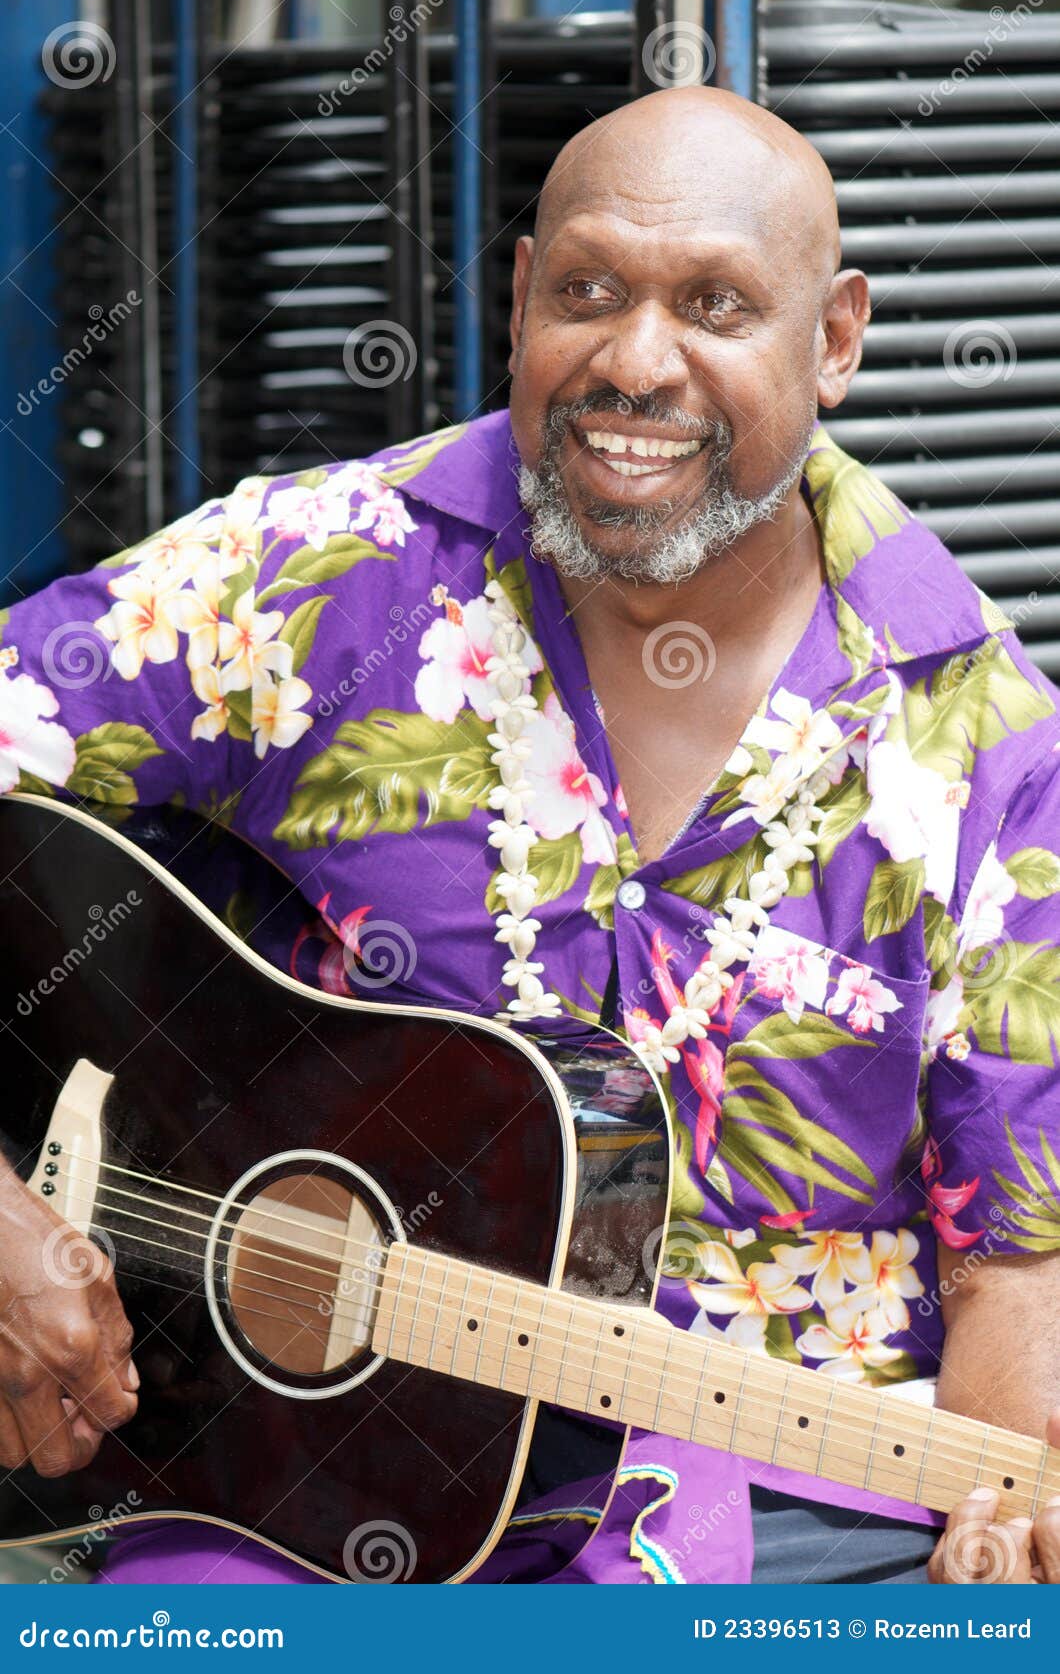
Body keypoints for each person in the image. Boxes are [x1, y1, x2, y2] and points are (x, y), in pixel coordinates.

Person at [0, 85, 1058, 1585]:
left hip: (798, 1504)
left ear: (833, 339)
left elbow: (1023, 1254)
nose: (635, 361)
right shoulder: (324, 577)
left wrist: (1010, 1522)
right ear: (517, 297)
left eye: (714, 305)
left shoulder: (989, 741)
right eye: (588, 291)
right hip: (288, 1459)